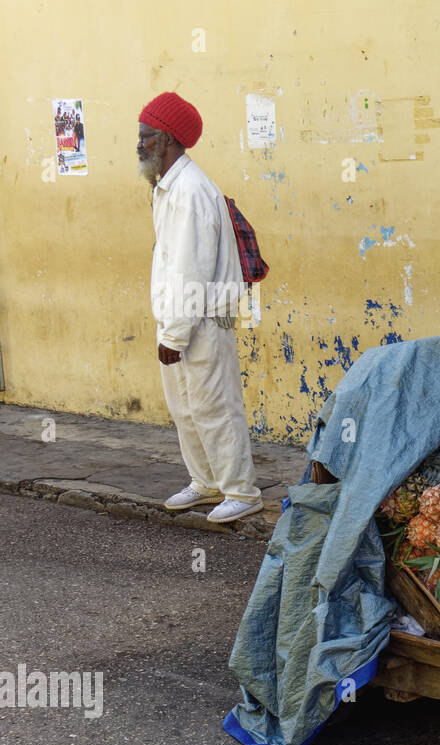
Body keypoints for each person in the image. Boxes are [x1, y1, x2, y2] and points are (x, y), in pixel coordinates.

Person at [138, 92, 262, 523]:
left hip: (201, 320)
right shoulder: (166, 188)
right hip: (179, 318)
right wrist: (170, 328)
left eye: (147, 136)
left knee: (215, 407)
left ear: (168, 140)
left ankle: (242, 492)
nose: (140, 144)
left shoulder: (190, 191)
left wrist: (174, 335)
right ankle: (206, 482)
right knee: (185, 409)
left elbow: (190, 269)